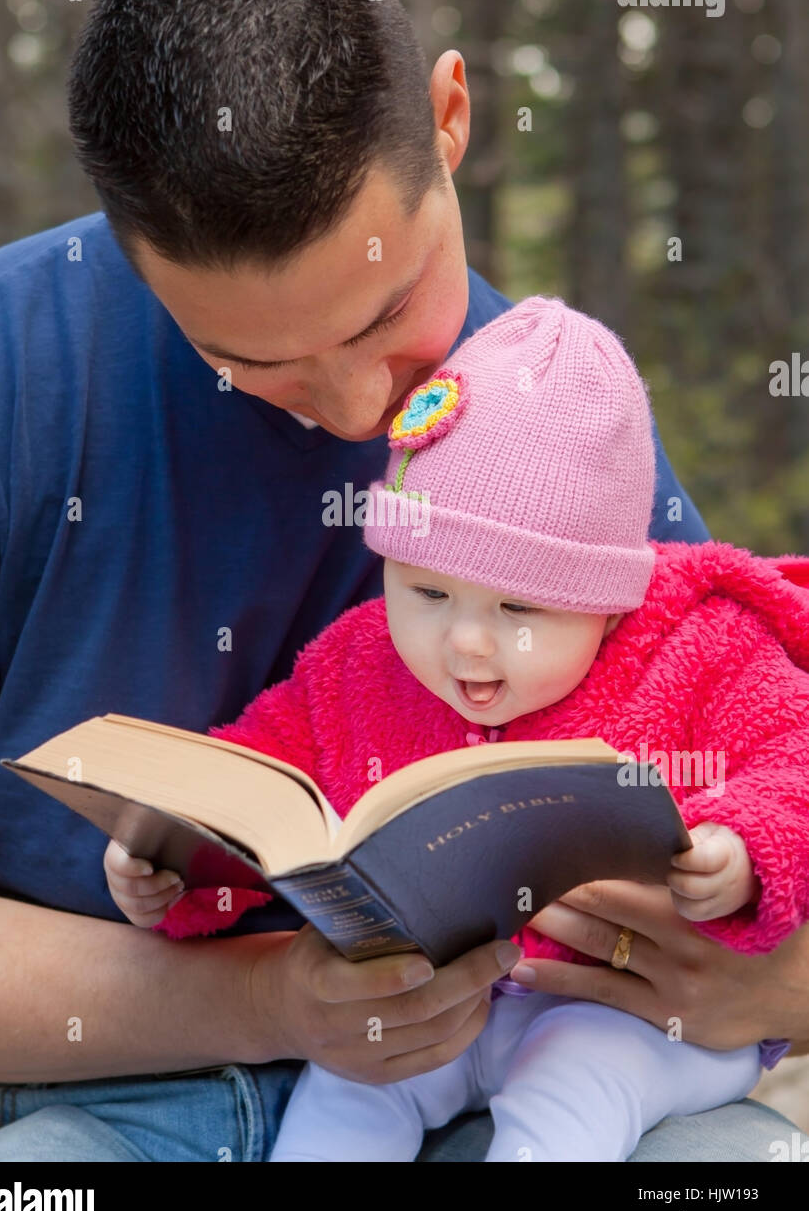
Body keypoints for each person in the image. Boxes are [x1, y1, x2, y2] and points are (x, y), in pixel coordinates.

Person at [0, 0, 806, 1164]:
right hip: (76, 1099)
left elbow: (758, 755)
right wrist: (272, 997)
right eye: (253, 360)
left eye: (387, 310)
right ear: (132, 257)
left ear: (452, 119)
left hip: (484, 1091)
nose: (360, 410)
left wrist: (779, 987)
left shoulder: (557, 428)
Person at [106, 297, 807, 1161]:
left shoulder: (697, 647)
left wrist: (746, 849)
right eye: (426, 593)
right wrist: (183, 857)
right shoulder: (360, 660)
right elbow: (263, 778)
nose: (465, 643)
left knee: (571, 1084)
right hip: (446, 1011)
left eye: (520, 607)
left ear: (609, 596)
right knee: (352, 1085)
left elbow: (793, 755)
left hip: (638, 1022)